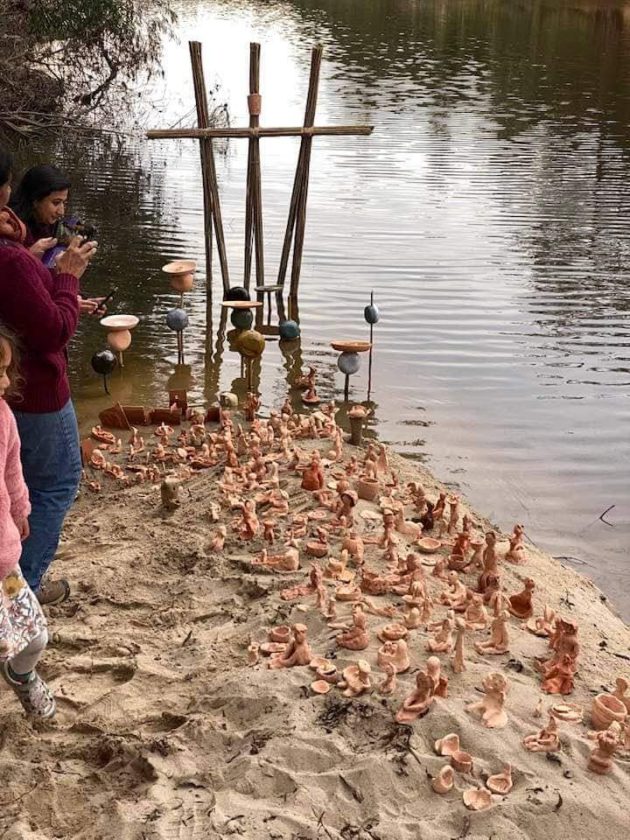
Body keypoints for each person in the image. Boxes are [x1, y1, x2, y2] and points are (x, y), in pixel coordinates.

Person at [0, 146, 97, 605]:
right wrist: (68, 276)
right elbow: (52, 333)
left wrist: (57, 285)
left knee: (16, 489)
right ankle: (23, 595)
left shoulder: (17, 248)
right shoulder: (11, 259)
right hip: (32, 392)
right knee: (56, 480)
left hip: (11, 388)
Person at [0, 323, 55, 718]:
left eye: (5, 369)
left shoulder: (3, 417)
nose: (4, 381)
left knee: (35, 638)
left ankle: (21, 675)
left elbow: (12, 469)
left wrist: (20, 511)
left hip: (5, 566)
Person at [10, 164, 103, 315]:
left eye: (64, 203)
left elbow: (48, 281)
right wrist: (28, 256)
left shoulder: (53, 228)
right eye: (56, 203)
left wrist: (78, 299)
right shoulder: (11, 230)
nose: (61, 211)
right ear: (35, 200)